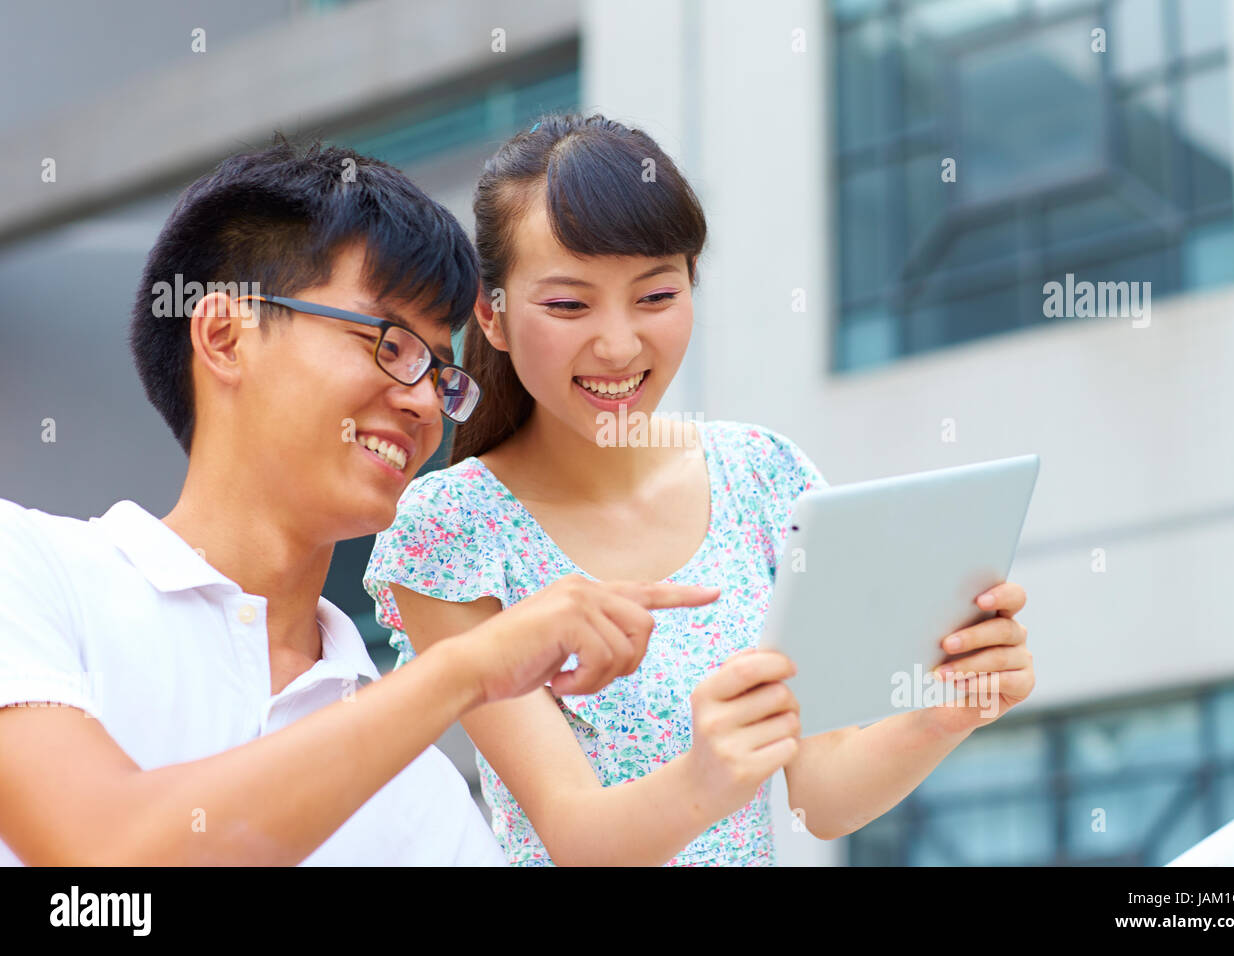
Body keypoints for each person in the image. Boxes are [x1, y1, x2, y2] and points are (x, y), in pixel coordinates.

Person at [0, 136, 719, 866]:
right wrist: (468, 669)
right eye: (388, 342)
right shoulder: (30, 572)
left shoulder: (421, 796)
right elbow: (97, 861)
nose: (421, 403)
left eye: (440, 372)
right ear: (224, 334)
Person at [363, 113, 1036, 866]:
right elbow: (578, 836)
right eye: (567, 305)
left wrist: (942, 713)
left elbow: (822, 795)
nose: (618, 345)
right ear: (492, 315)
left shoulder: (764, 477)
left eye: (655, 297)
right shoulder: (453, 529)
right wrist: (706, 775)